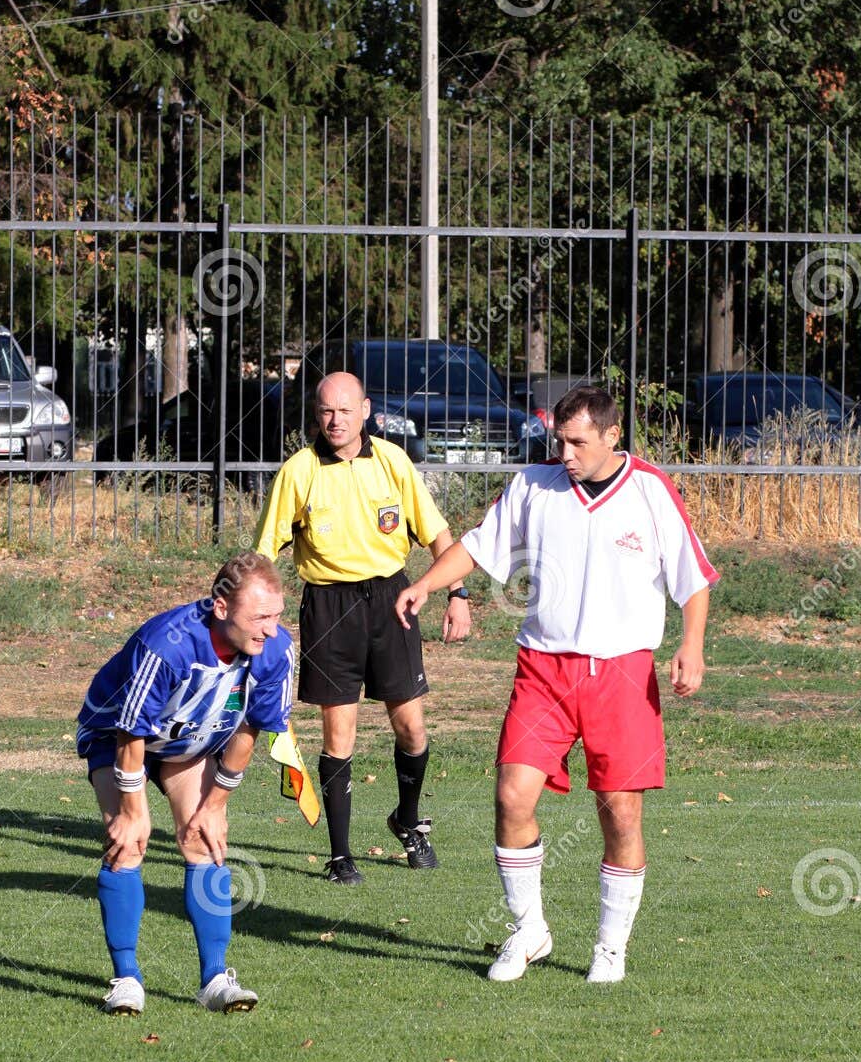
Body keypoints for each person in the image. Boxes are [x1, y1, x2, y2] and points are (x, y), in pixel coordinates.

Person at [394, 385, 718, 984]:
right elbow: (477, 546)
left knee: (620, 813)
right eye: (559, 440)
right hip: (543, 670)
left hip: (622, 671)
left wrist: (690, 644)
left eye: (578, 442)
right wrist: (427, 584)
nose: (565, 452)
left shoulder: (650, 490)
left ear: (612, 436)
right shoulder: (532, 485)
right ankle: (528, 930)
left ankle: (610, 948)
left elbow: (693, 579)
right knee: (512, 798)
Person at [253, 370, 471, 884]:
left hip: (393, 602)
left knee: (412, 728)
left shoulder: (393, 461)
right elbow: (264, 552)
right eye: (326, 410)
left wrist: (457, 594)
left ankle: (408, 822)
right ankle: (340, 855)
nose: (335, 420)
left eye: (345, 410)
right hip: (330, 607)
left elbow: (437, 533)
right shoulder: (299, 471)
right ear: (317, 413)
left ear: (366, 410)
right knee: (339, 733)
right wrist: (258, 615)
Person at [75, 552, 293, 1014]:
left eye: (276, 616)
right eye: (259, 617)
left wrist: (216, 804)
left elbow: (249, 730)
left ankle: (215, 979)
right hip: (119, 736)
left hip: (191, 740)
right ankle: (127, 980)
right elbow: (131, 733)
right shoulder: (167, 644)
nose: (270, 629)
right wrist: (133, 812)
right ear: (220, 608)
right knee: (129, 843)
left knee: (203, 838)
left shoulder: (275, 649)